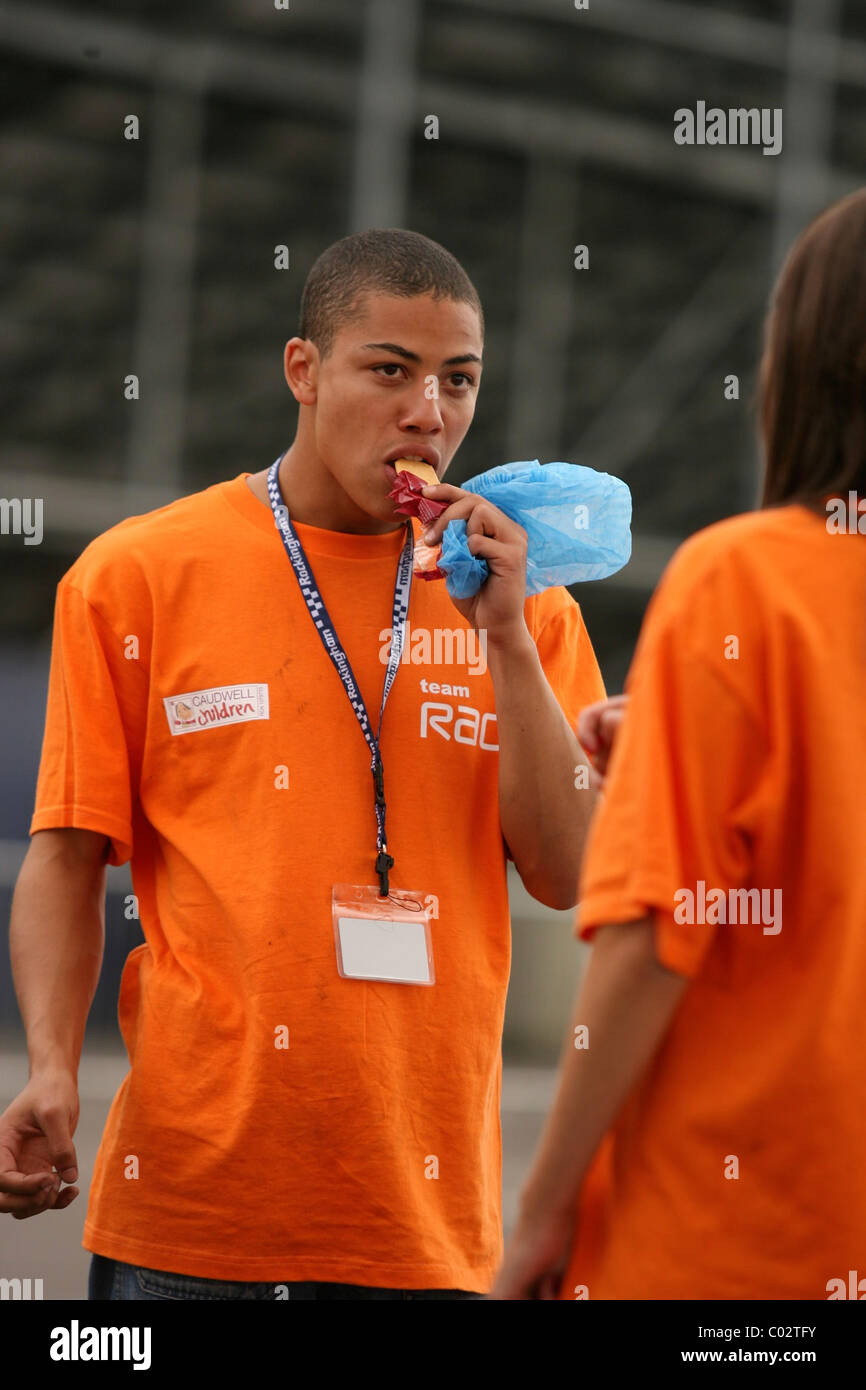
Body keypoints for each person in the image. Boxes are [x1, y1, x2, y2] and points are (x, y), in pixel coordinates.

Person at [1, 228, 606, 1300]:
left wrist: (504, 638)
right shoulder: (140, 574)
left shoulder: (526, 605)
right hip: (189, 1230)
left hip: (425, 1237)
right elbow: (63, 853)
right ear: (303, 370)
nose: (428, 412)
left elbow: (567, 875)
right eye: (390, 369)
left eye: (457, 380)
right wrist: (51, 1065)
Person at [492, 186, 866, 1301]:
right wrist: (672, 745)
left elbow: (658, 937)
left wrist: (539, 1215)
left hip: (733, 1250)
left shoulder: (745, 576)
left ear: (805, 357)